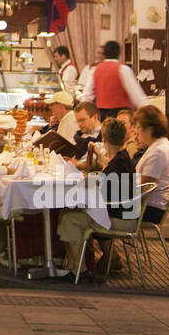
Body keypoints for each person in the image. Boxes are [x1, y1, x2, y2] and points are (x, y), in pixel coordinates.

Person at [58, 118, 137, 279]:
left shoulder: (118, 163)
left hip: (119, 218)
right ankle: (75, 265)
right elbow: (108, 178)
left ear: (104, 138)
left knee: (69, 218)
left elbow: (104, 190)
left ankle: (79, 270)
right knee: (67, 213)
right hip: (126, 213)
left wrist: (88, 182)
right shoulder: (122, 158)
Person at [132, 106, 169, 224]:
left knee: (94, 209)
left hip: (148, 209)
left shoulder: (159, 151)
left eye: (139, 128)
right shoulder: (157, 146)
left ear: (150, 129)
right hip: (146, 205)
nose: (136, 132)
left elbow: (145, 188)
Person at [80, 40, 147, 119]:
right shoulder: (123, 69)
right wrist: (147, 111)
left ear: (104, 54)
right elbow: (136, 95)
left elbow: (87, 97)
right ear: (119, 54)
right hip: (122, 115)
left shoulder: (94, 70)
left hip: (102, 115)